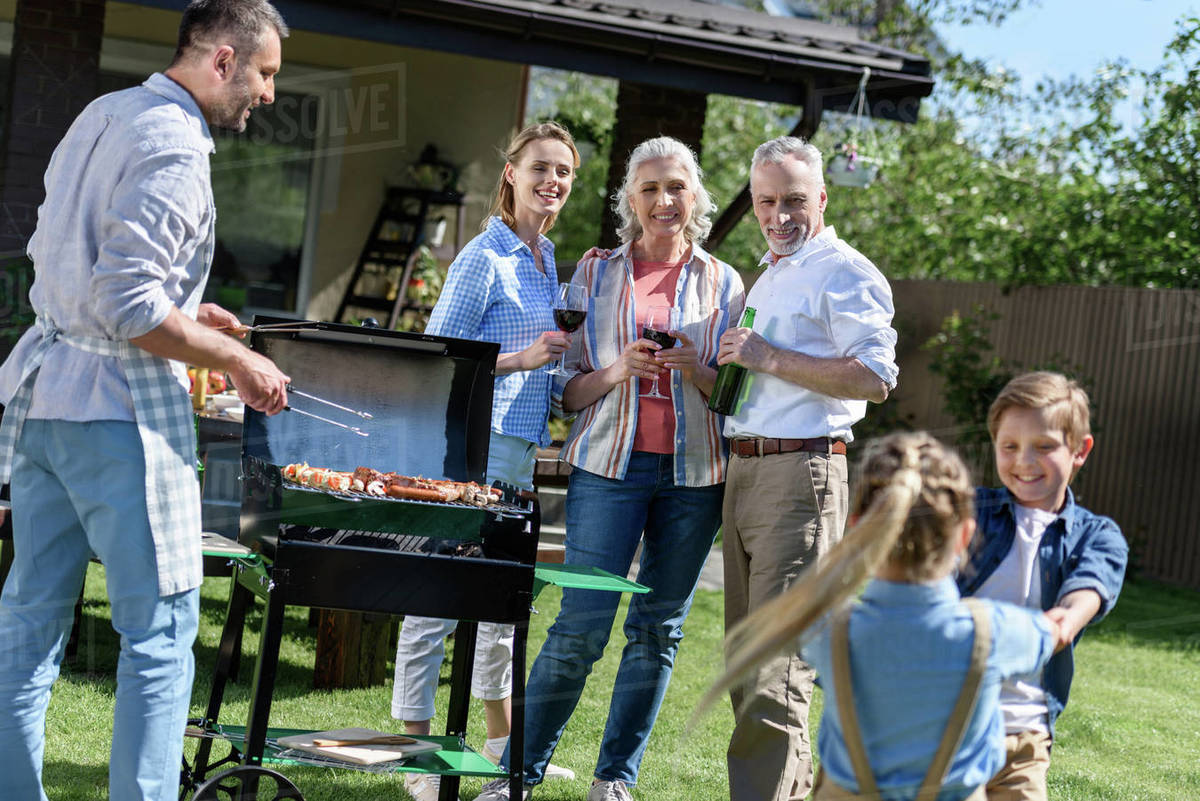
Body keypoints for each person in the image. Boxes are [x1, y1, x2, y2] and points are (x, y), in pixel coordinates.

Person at [0, 2, 291, 800]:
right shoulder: (174, 147)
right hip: (113, 413)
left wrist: (190, 314)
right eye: (264, 73)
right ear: (223, 61)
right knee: (160, 632)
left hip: (42, 403)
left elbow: (72, 264)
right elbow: (128, 307)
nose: (268, 93)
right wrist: (236, 359)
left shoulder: (104, 111)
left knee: (27, 626)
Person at [478, 135, 745, 801]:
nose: (664, 200)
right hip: (606, 468)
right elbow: (565, 392)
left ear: (695, 196)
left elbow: (736, 396)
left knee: (658, 631)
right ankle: (516, 777)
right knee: (580, 625)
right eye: (650, 187)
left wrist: (696, 368)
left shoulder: (725, 282)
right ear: (630, 198)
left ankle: (614, 780)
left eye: (676, 187)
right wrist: (618, 369)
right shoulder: (594, 273)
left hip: (694, 476)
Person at [704, 432, 1061, 801]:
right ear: (965, 535)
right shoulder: (998, 632)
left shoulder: (827, 635)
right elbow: (1054, 632)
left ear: (859, 527)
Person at [390, 121, 580, 801]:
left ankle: (500, 747)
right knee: (436, 598)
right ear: (511, 173)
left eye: (563, 172)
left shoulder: (545, 257)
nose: (551, 182)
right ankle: (417, 757)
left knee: (501, 605)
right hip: (468, 447)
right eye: (540, 168)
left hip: (520, 451)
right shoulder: (484, 256)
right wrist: (523, 358)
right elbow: (437, 359)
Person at [717, 134, 898, 801]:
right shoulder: (771, 271)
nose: (778, 214)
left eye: (793, 199)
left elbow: (876, 377)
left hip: (802, 476)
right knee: (748, 660)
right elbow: (762, 380)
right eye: (766, 201)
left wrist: (768, 357)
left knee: (776, 669)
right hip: (748, 473)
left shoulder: (844, 270)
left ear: (821, 197)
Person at [958, 372, 1128, 801]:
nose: (1024, 462)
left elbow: (1085, 595)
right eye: (1009, 447)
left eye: (1045, 447)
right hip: (948, 727)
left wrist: (1064, 622)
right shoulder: (966, 513)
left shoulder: (1098, 537)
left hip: (1026, 736)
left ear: (1080, 450)